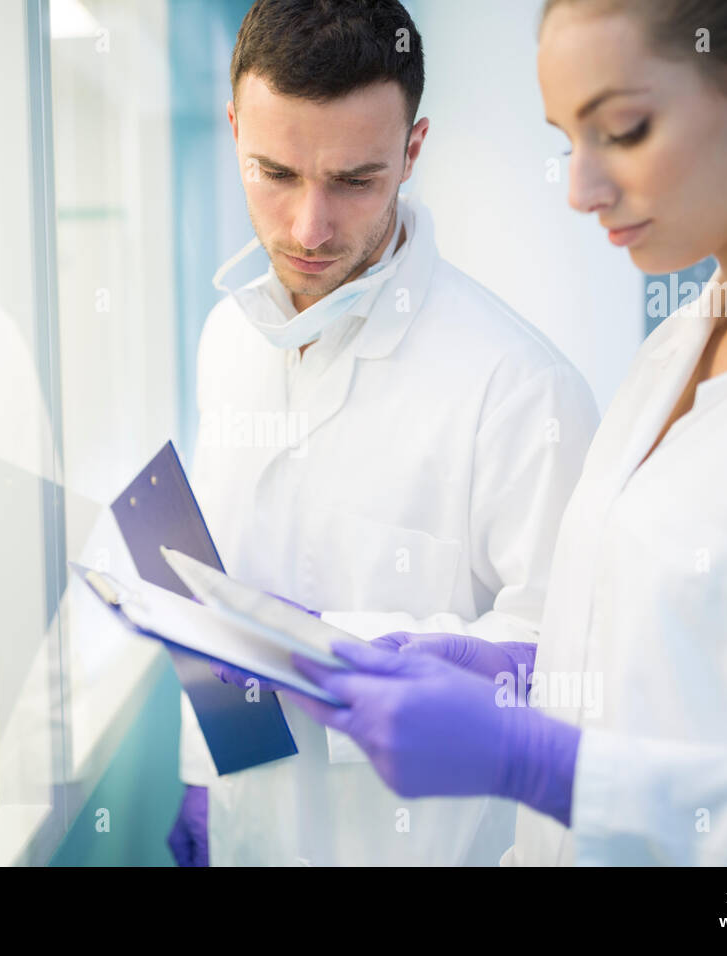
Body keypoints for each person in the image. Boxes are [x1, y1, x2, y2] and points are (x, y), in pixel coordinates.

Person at [288, 0, 727, 865]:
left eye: (624, 128)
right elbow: (684, 678)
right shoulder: (675, 351)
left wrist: (545, 767)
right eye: (566, 140)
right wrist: (518, 679)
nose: (580, 190)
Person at [168, 0, 599, 866]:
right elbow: (218, 593)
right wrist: (201, 771)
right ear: (233, 133)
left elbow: (578, 664)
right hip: (246, 822)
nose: (309, 229)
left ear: (412, 150)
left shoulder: (522, 390)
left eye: (355, 179)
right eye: (275, 173)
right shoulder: (227, 339)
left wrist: (353, 646)